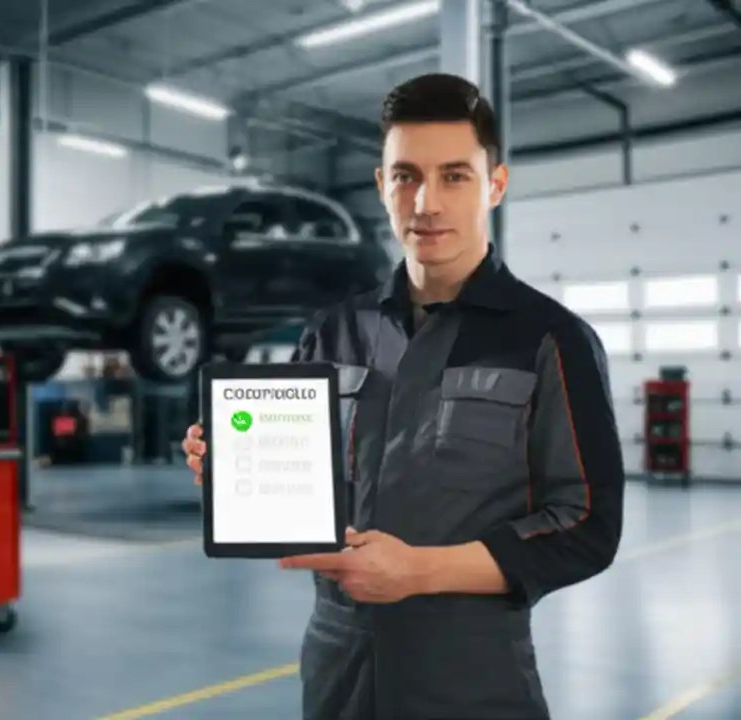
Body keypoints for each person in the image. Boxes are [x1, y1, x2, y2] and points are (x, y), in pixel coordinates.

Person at [182, 73, 624, 720]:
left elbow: (589, 525)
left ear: (495, 185)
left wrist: (419, 571)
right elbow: (312, 489)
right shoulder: (331, 333)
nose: (426, 203)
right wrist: (239, 478)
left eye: (454, 176)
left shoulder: (553, 341)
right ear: (381, 185)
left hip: (472, 682)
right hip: (337, 678)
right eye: (406, 176)